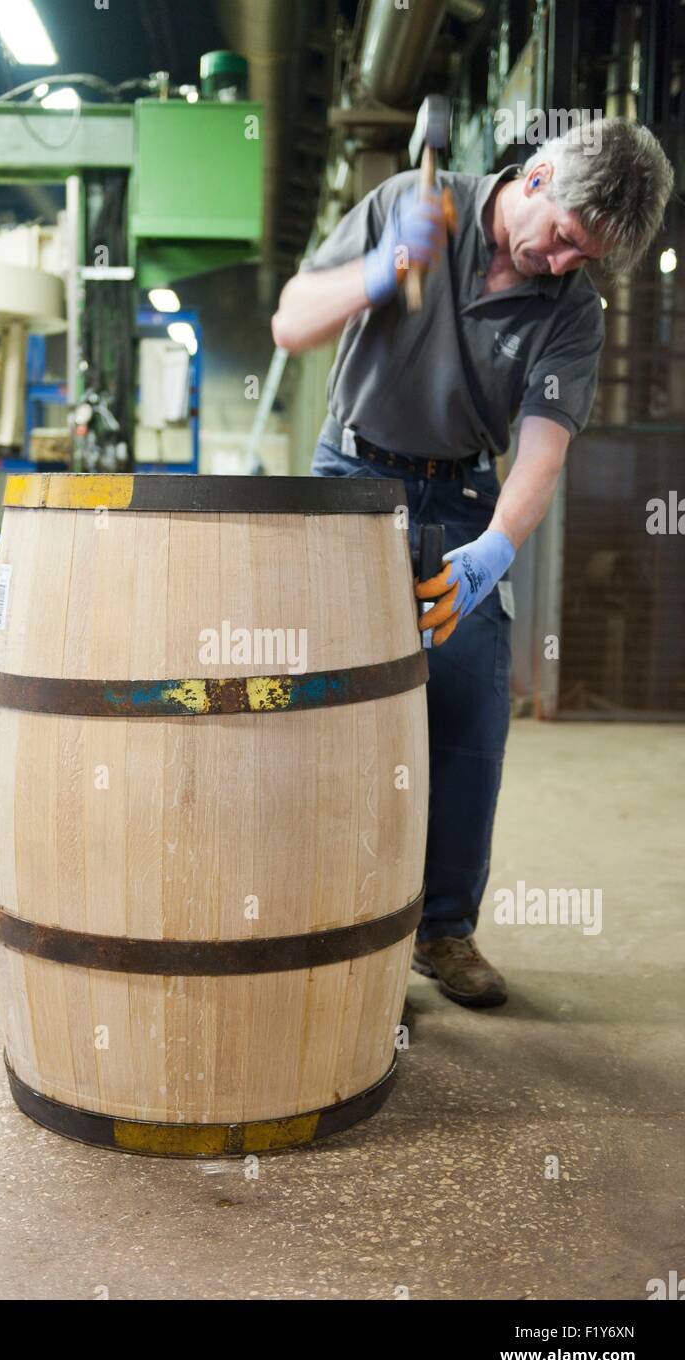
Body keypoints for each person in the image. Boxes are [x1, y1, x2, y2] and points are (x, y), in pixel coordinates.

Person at [272, 118, 674, 1008]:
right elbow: (291, 321)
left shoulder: (572, 310)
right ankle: (316, 913)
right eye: (567, 237)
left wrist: (496, 548)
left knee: (469, 712)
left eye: (588, 258)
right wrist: (380, 272)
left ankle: (443, 931)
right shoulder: (413, 205)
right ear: (535, 178)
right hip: (352, 475)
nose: (565, 262)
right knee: (319, 705)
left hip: (459, 496)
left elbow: (541, 450)